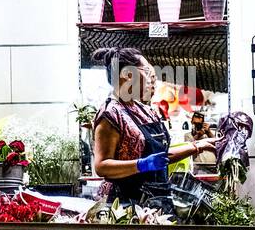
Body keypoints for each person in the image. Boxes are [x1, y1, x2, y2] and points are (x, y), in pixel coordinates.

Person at [91, 47, 218, 207]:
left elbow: (160, 157)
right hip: (127, 206)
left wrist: (198, 146)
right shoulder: (111, 114)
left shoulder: (144, 110)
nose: (153, 80)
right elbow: (102, 166)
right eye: (147, 73)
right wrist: (141, 165)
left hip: (157, 199)